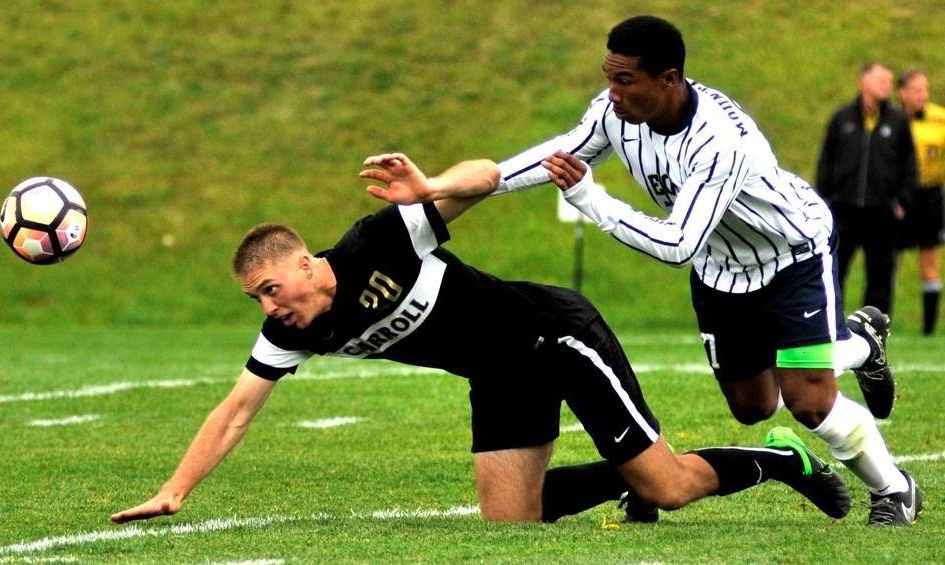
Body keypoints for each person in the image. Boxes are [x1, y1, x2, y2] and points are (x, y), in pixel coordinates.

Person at [364, 16, 922, 526]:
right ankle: (859, 344)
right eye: (609, 78)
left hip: (790, 255)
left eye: (625, 80)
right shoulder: (617, 113)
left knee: (809, 400)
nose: (612, 93)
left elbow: (677, 245)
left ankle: (895, 490)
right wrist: (435, 187)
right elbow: (552, 157)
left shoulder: (719, 143)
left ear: (668, 79)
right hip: (721, 269)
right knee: (751, 406)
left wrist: (594, 200)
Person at [109, 155, 854, 527]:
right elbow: (235, 411)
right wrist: (174, 491)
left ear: (305, 265)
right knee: (511, 523)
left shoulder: (377, 243)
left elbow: (489, 175)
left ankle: (781, 460)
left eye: (272, 288)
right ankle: (629, 477)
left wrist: (431, 184)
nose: (269, 307)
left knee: (671, 486)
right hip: (499, 377)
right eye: (257, 299)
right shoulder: (293, 328)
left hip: (555, 335)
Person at [816, 61, 918, 317]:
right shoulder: (842, 118)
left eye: (889, 82)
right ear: (864, 82)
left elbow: (910, 165)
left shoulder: (897, 121)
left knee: (880, 278)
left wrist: (902, 201)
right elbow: (826, 160)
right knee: (834, 269)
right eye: (881, 80)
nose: (886, 86)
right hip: (844, 210)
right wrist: (824, 198)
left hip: (882, 212)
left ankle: (875, 330)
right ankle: (832, 323)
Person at [895, 68, 945, 336]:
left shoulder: (939, 118)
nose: (923, 95)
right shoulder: (892, 120)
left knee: (929, 264)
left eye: (925, 89)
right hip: (901, 197)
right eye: (917, 90)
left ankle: (928, 331)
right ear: (902, 93)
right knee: (890, 261)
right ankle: (883, 322)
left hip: (930, 196)